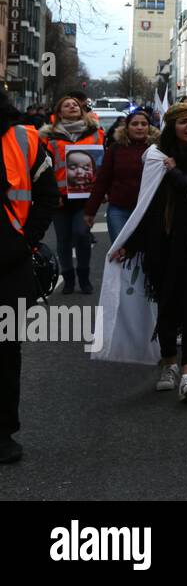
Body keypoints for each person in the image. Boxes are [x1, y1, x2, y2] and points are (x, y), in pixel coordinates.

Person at [122, 102, 187, 402]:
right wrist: (130, 243)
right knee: (166, 307)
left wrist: (176, 174)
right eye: (183, 122)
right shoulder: (156, 158)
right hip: (162, 243)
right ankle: (168, 364)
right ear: (171, 126)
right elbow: (146, 204)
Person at [0, 91, 60, 463]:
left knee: (5, 353)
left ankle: (3, 434)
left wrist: (25, 243)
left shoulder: (25, 138)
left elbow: (47, 195)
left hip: (8, 265)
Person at [39, 94, 105, 294]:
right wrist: (49, 194)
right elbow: (43, 167)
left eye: (75, 104)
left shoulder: (96, 132)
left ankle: (84, 277)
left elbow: (103, 162)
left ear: (81, 109)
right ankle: (68, 279)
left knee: (82, 234)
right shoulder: (47, 136)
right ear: (59, 113)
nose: (72, 107)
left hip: (86, 195)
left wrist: (103, 189)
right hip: (59, 197)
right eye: (66, 105)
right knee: (63, 240)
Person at [83, 110, 157, 244]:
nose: (139, 127)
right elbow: (102, 180)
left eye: (144, 124)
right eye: (135, 124)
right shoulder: (115, 148)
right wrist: (91, 211)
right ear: (127, 128)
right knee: (120, 252)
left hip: (149, 209)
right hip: (120, 209)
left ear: (149, 127)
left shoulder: (158, 149)